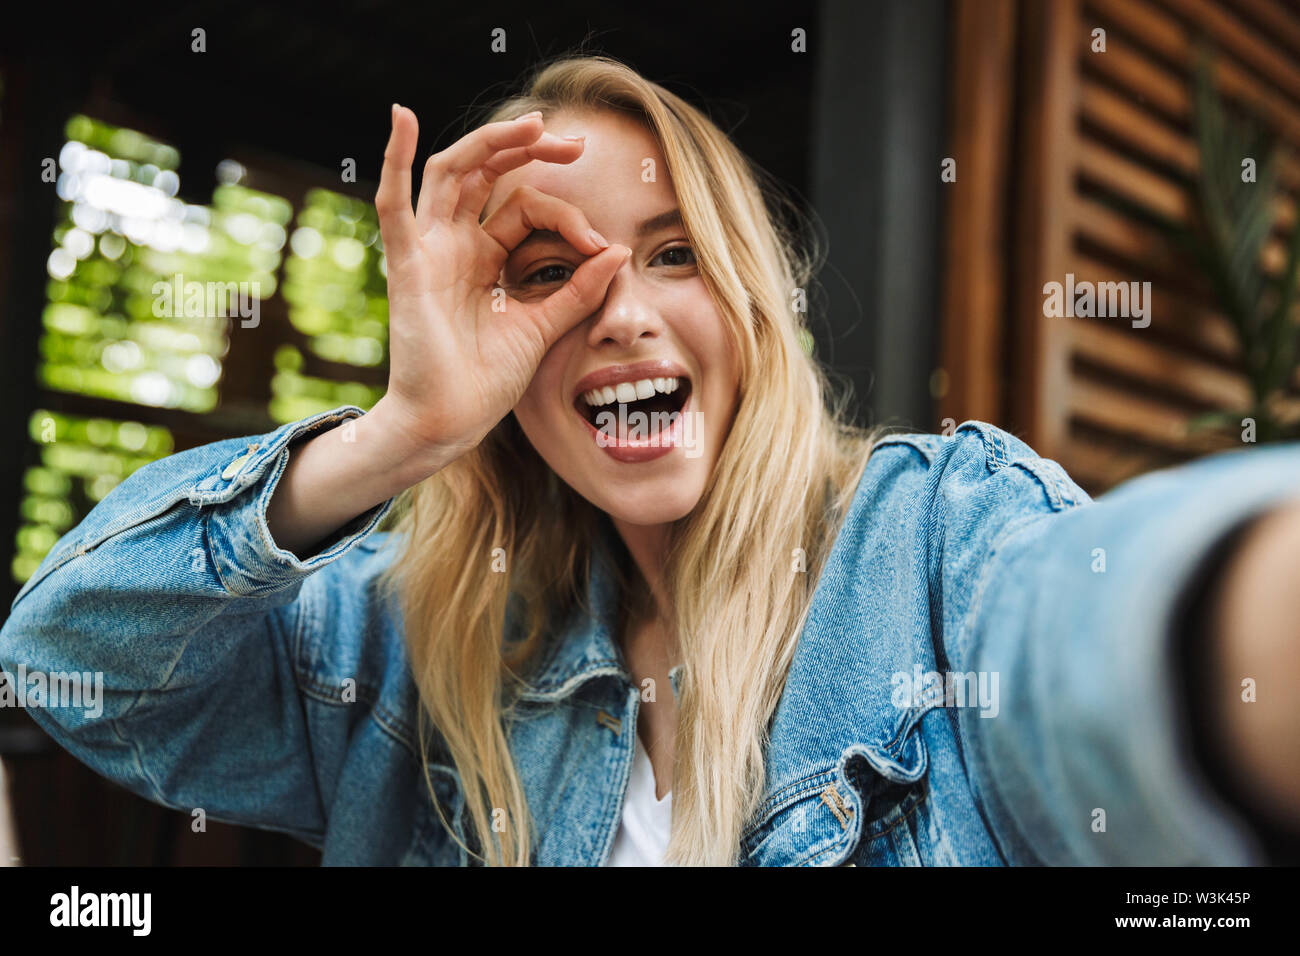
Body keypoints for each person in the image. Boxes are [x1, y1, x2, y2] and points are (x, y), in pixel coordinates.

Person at [2, 54, 1298, 867]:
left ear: (754, 298)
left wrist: (1245, 615)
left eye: (673, 254)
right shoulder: (405, 636)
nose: (617, 311)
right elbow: (73, 664)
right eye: (549, 273)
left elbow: (1092, 633)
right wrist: (398, 436)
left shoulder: (935, 540)